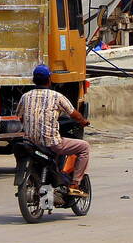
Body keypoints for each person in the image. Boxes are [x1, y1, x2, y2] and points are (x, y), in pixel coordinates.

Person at [16, 64, 91, 197]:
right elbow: (74, 114)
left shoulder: (25, 97)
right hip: (52, 142)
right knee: (84, 147)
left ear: (33, 80)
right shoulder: (56, 96)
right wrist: (84, 122)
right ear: (49, 80)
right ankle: (75, 184)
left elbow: (20, 116)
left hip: (30, 142)